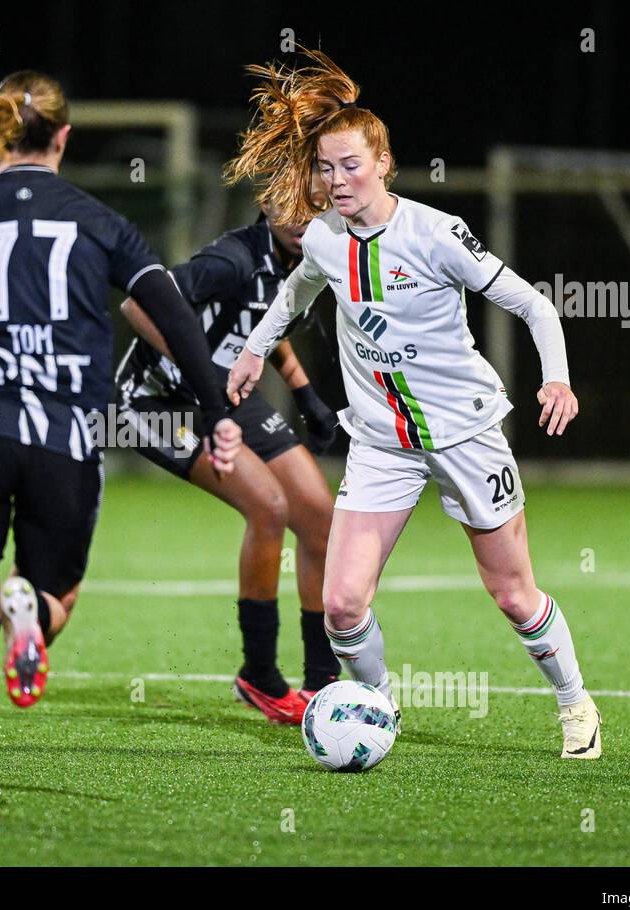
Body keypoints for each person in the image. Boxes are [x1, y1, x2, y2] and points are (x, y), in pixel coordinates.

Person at [225, 48, 601, 759]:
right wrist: (252, 351)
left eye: (350, 166)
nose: (336, 180)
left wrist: (556, 378)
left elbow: (534, 304)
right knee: (341, 608)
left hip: (466, 434)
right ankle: (378, 709)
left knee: (514, 595)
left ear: (384, 163)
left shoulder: (436, 235)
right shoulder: (325, 239)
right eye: (325, 168)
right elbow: (294, 293)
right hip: (381, 444)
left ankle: (574, 701)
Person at [0, 61, 243, 828]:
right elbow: (173, 317)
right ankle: (36, 614)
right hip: (63, 436)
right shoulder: (101, 223)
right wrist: (215, 410)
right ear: (63, 137)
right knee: (55, 592)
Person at [115, 193, 342, 725]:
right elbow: (138, 303)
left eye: (317, 205)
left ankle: (322, 681)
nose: (305, 218)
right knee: (268, 507)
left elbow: (262, 326)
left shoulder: (305, 262)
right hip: (157, 402)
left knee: (318, 515)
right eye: (293, 206)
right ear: (266, 204)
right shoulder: (233, 258)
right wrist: (200, 375)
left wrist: (304, 391)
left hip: (226, 395)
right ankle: (258, 677)